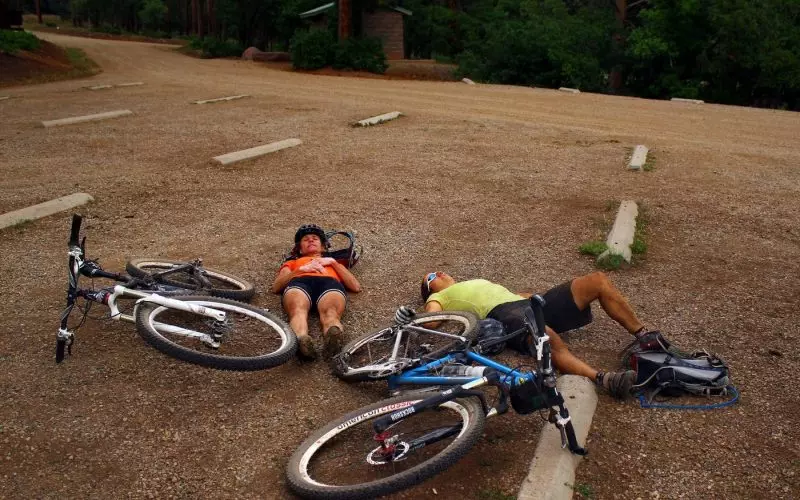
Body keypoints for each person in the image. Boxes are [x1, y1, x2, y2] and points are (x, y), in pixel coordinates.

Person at [398, 271, 658, 399]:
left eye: (438, 269)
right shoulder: (439, 296)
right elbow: (430, 319)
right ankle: (604, 379)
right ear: (430, 289)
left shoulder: (471, 283)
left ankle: (644, 335)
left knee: (597, 280)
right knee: (547, 338)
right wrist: (412, 317)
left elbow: (517, 295)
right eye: (431, 276)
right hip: (504, 313)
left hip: (529, 302)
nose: (438, 273)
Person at [271, 224, 361, 361]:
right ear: (300, 249)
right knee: (297, 310)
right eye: (306, 239)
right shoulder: (293, 262)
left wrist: (332, 262)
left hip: (329, 283)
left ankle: (333, 338)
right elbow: (277, 286)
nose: (311, 240)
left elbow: (355, 286)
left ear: (323, 246)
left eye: (315, 238)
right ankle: (301, 341)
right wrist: (301, 269)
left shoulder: (333, 262)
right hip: (300, 282)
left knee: (331, 312)